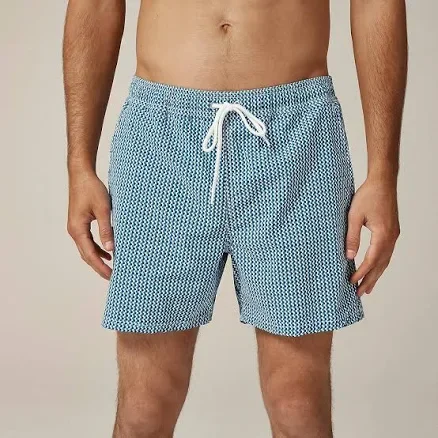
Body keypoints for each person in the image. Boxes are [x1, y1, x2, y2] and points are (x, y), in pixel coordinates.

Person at [64, 0, 407, 436]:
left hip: (298, 139)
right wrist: (79, 165)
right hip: (161, 141)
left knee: (298, 406)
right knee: (144, 408)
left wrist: (383, 174)